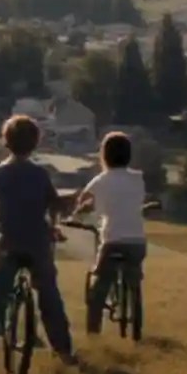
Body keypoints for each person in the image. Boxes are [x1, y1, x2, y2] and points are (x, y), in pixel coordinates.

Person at [0, 115, 75, 373]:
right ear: (35, 144)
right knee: (49, 295)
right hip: (37, 243)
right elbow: (53, 204)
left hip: (8, 243)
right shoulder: (40, 174)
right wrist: (55, 223)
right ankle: (63, 349)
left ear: (5, 141)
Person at [74, 131, 147, 334]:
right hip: (137, 241)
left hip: (113, 239)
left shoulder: (100, 181)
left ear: (104, 156)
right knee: (133, 270)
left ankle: (93, 332)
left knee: (99, 288)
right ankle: (133, 289)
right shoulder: (138, 179)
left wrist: (81, 211)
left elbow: (83, 201)